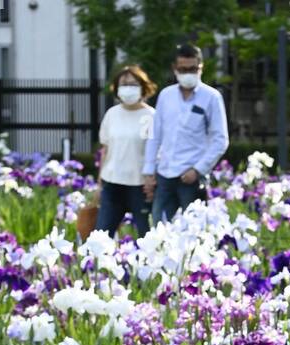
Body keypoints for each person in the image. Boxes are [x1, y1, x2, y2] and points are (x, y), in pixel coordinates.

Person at [142, 43, 229, 224]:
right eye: (183, 69)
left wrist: (198, 170)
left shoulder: (211, 97)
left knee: (193, 229)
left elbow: (220, 140)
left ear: (200, 68)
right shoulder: (166, 95)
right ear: (175, 69)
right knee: (160, 228)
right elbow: (154, 134)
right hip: (165, 174)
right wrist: (149, 170)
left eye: (192, 69)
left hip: (191, 176)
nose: (188, 73)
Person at [96, 66, 156, 237]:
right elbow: (105, 149)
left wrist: (152, 180)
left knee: (147, 236)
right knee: (101, 236)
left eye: (133, 84)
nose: (128, 88)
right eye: (124, 84)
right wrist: (100, 185)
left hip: (140, 186)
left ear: (143, 87)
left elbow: (156, 152)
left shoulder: (150, 116)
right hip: (112, 183)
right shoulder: (112, 114)